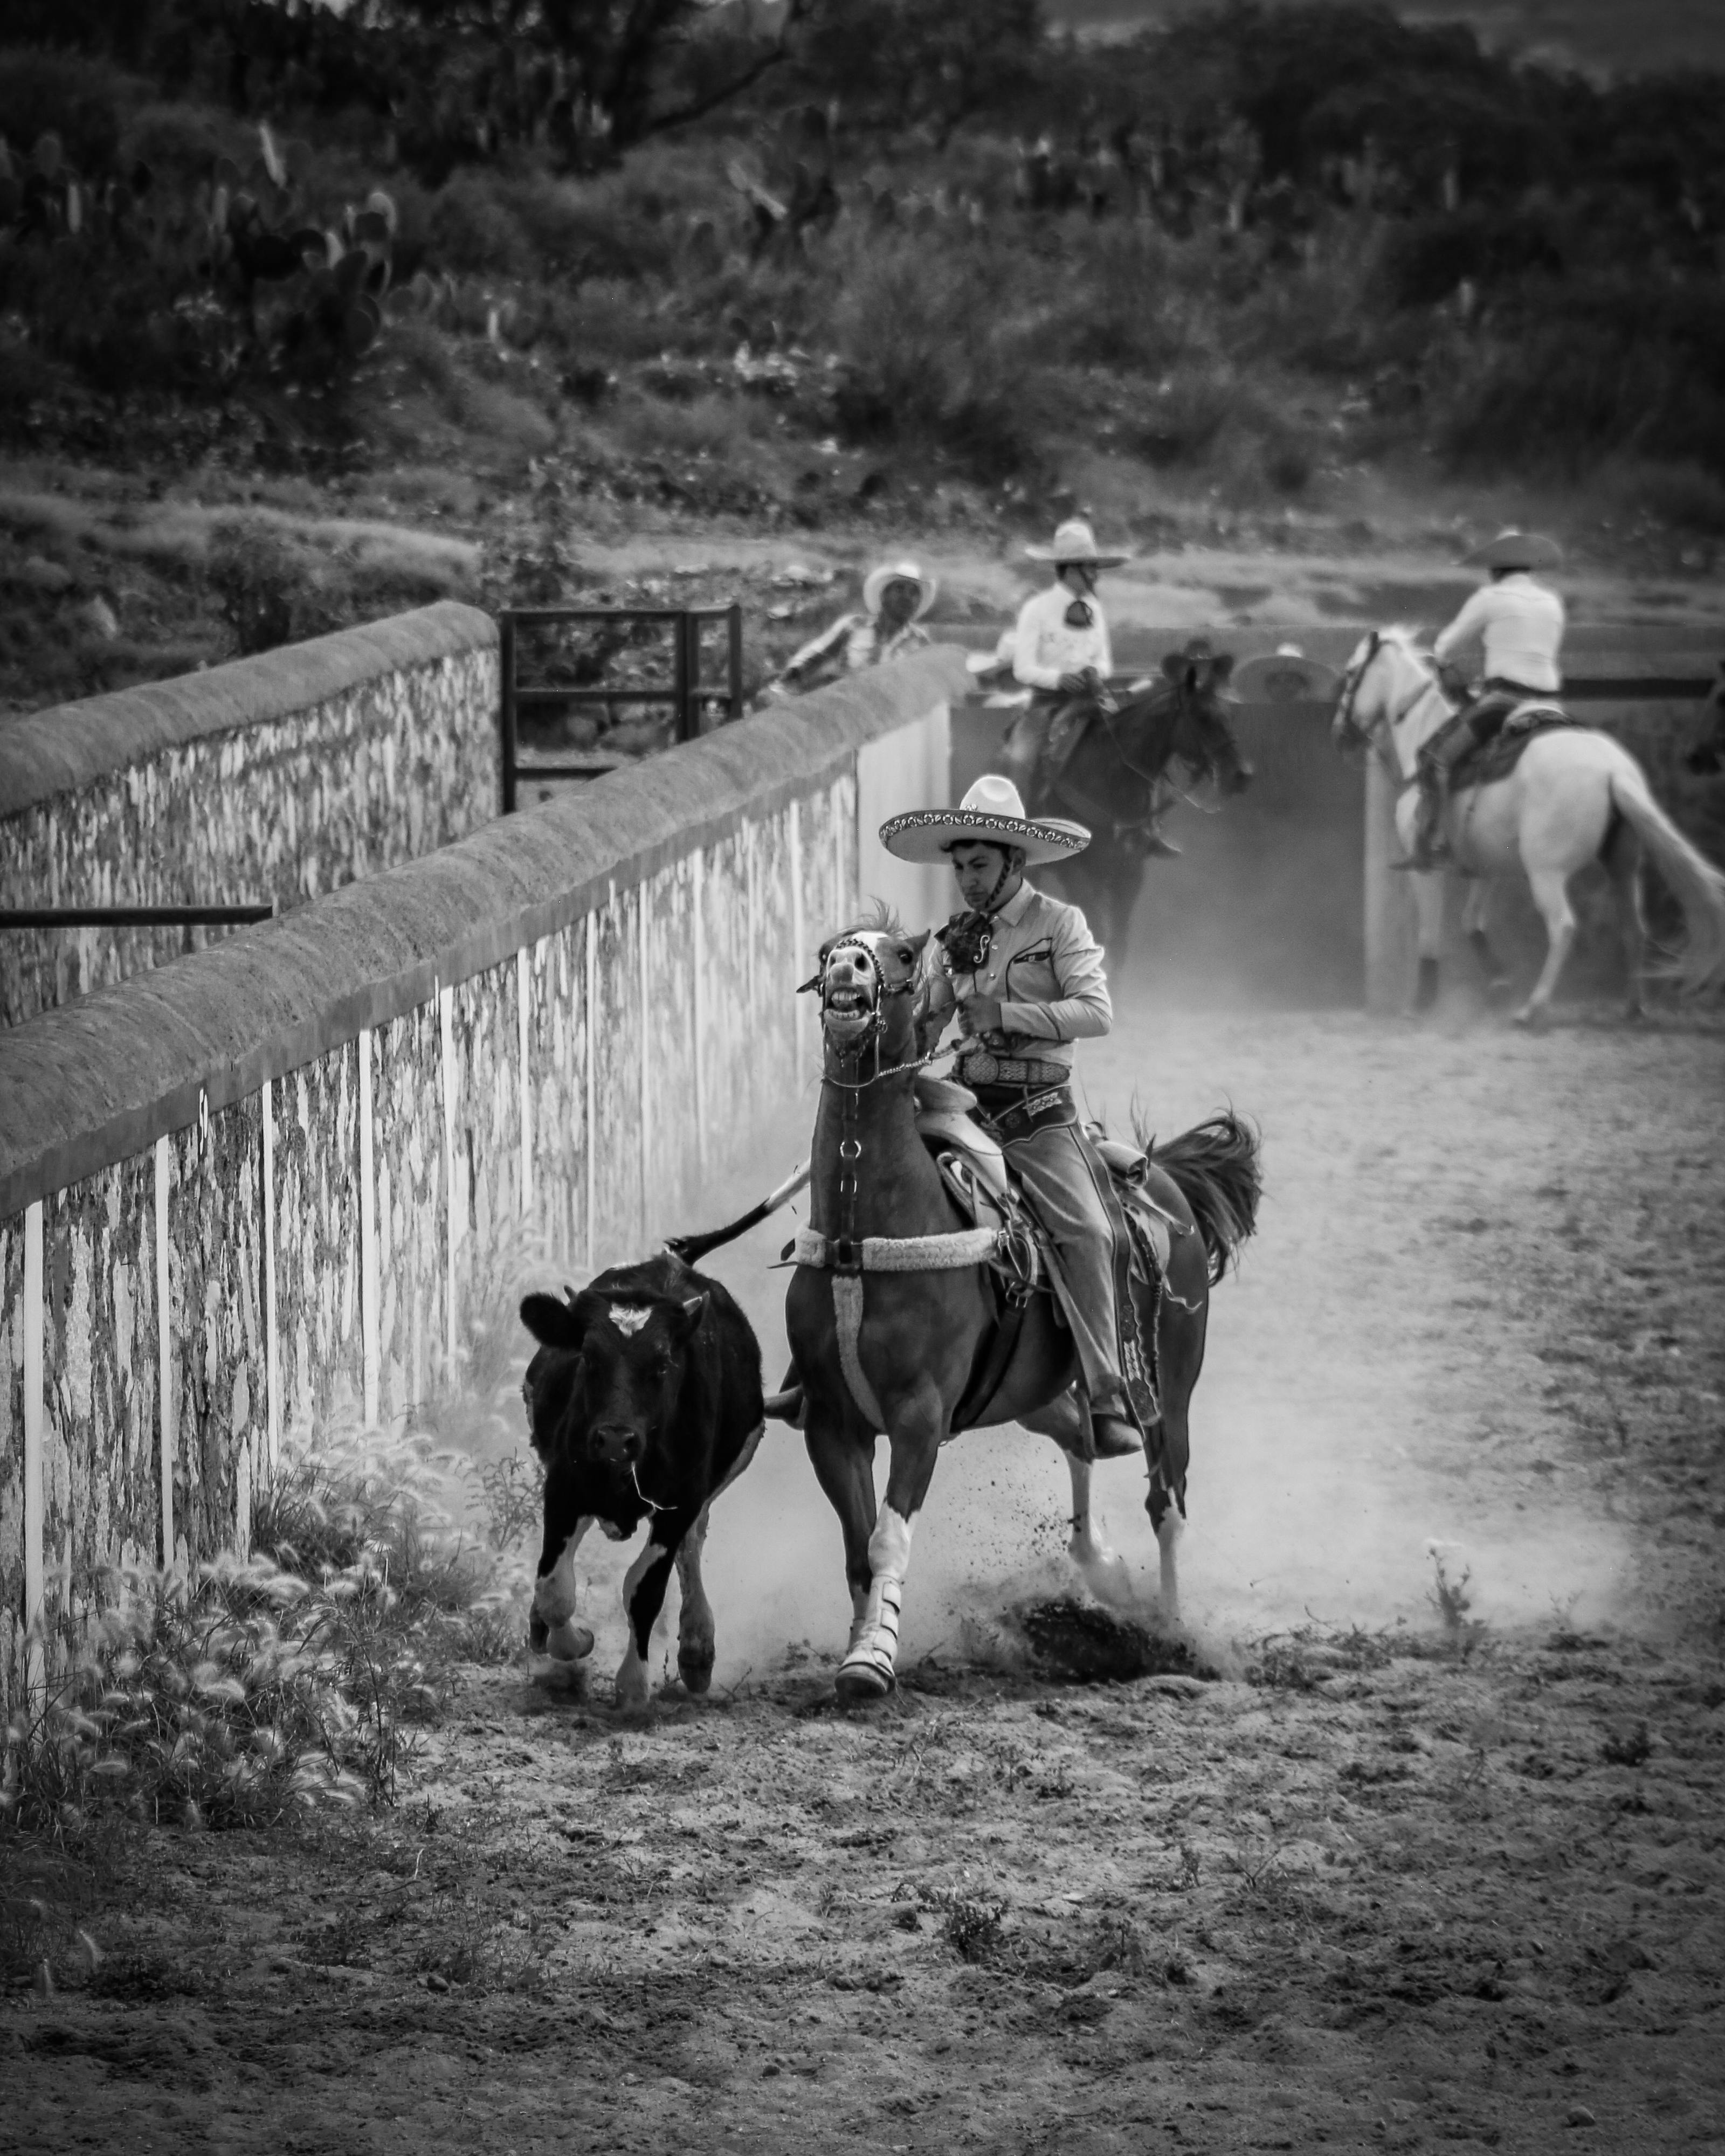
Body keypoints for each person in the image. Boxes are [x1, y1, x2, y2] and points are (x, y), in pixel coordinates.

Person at [879, 774, 1154, 1461]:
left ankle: (1104, 1392)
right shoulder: (948, 939)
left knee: (1089, 1231)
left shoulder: (1061, 925)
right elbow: (929, 1021)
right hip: (964, 1107)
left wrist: (1007, 1015)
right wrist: (907, 1017)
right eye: (959, 866)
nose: (967, 880)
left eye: (979, 866)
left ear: (1014, 862)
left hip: (1038, 1119)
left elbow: (1097, 1013)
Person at [1003, 518, 1178, 858]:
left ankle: (1146, 828)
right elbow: (1023, 668)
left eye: (1096, 568)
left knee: (1141, 742)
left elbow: (1106, 661)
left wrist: (1092, 673)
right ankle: (1018, 839)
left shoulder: (1096, 609)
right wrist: (1058, 678)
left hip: (1092, 697)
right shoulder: (1035, 610)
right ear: (1069, 569)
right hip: (1046, 703)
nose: (1097, 575)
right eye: (1091, 568)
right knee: (1021, 758)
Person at [1403, 529, 1566, 869]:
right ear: (1529, 568)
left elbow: (1445, 647)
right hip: (1552, 707)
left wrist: (1447, 666)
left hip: (1504, 703)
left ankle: (1437, 842)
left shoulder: (1490, 598)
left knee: (1434, 759)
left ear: (1495, 569)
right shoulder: (1552, 603)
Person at [771, 559, 936, 696]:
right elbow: (817, 653)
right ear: (884, 595)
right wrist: (792, 674)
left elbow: (926, 689)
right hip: (847, 708)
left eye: (914, 593)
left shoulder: (920, 642)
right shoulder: (853, 626)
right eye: (900, 589)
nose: (907, 598)